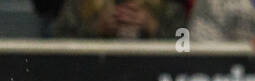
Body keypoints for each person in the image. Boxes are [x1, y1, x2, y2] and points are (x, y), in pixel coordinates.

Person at [53, 0, 186, 38]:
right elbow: (55, 47)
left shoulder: (167, 6)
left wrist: (153, 27)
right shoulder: (82, 5)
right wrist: (96, 29)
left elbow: (186, 50)